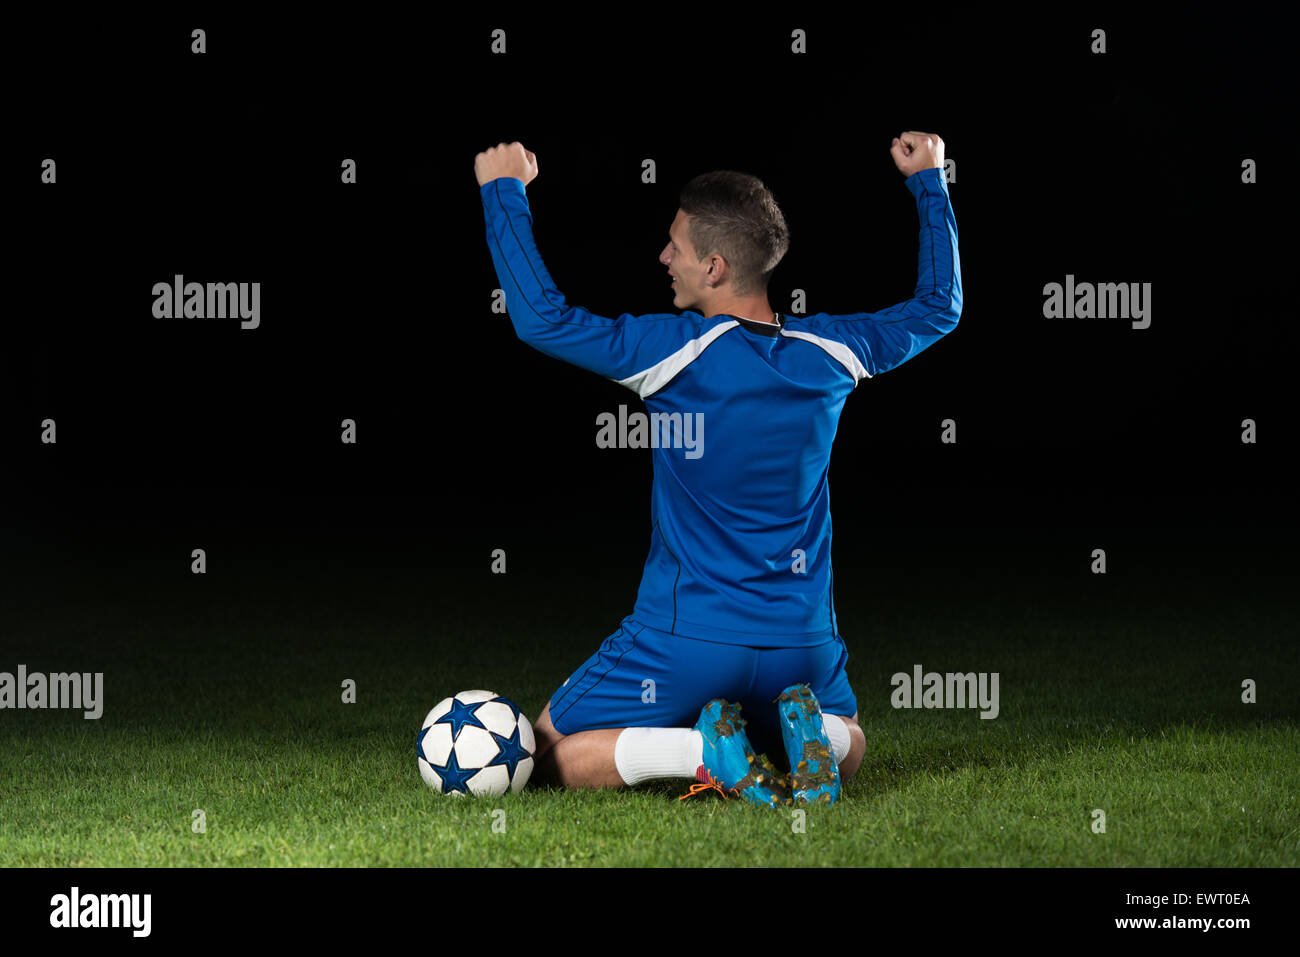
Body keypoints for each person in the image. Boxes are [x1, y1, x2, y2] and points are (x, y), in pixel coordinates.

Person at [475, 132, 961, 805]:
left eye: (674, 245)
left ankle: (697, 747)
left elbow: (541, 320)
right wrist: (929, 179)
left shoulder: (673, 352)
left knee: (541, 749)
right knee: (851, 740)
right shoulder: (835, 351)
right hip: (802, 642)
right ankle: (805, 726)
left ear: (714, 267)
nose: (662, 256)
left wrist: (503, 190)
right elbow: (941, 306)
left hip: (686, 640)